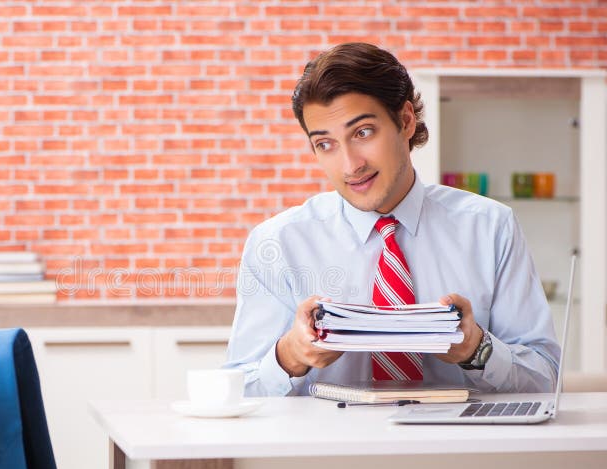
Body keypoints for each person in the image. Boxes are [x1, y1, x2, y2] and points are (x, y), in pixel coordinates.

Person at [225, 42, 560, 396]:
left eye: (363, 133)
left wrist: (476, 349)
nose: (350, 165)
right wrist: (291, 355)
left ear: (405, 120)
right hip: (327, 448)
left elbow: (546, 380)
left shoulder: (491, 228)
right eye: (325, 144)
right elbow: (238, 389)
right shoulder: (277, 242)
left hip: (459, 447)